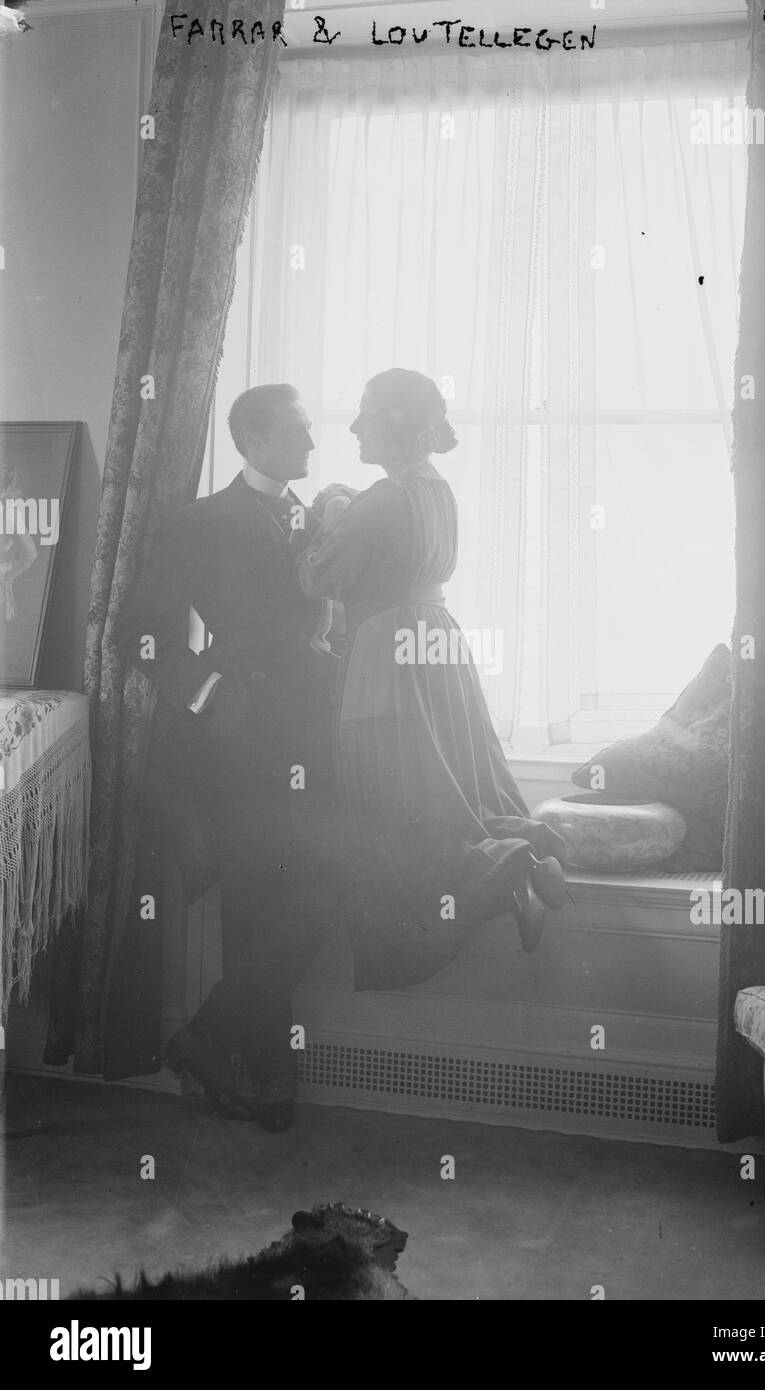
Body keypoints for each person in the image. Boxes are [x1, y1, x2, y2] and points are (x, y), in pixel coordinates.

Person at [297, 367, 567, 991]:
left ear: (395, 425)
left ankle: (507, 870)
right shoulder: (435, 487)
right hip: (437, 639)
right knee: (452, 785)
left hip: (386, 654)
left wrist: (329, 513)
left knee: (393, 800)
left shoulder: (383, 496)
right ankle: (525, 856)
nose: (356, 427)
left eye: (366, 414)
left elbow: (317, 579)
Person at [120, 383, 340, 1132]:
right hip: (240, 743)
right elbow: (141, 633)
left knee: (320, 891)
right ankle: (268, 1071)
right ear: (250, 442)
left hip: (316, 737)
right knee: (254, 905)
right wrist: (211, 692)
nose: (311, 444)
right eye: (296, 432)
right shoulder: (202, 523)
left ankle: (206, 1038)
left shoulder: (321, 521)